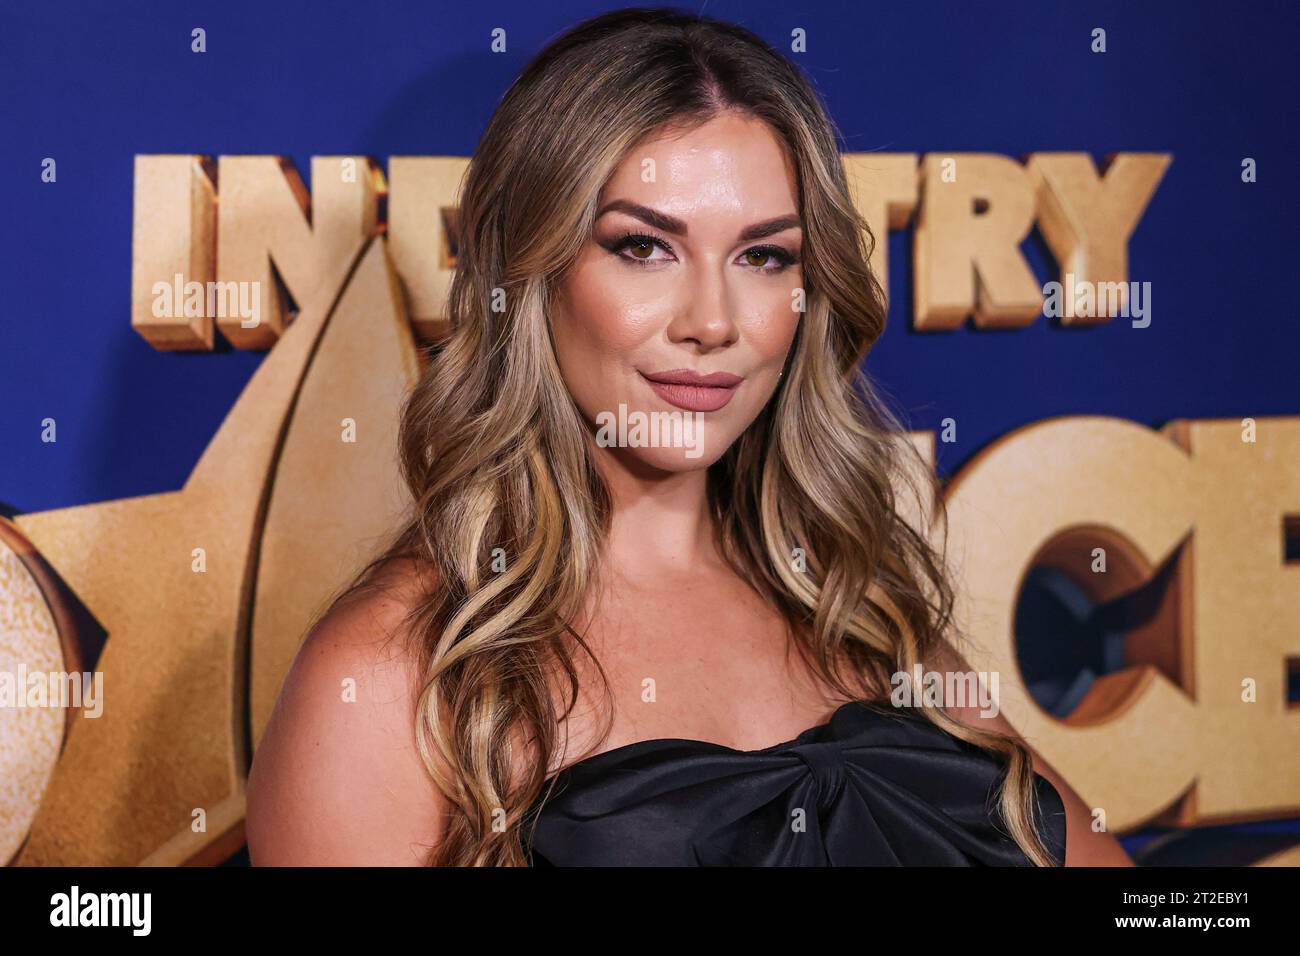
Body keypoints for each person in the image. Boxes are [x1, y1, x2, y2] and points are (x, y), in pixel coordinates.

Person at [246, 7, 1133, 867]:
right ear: (531, 272)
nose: (713, 322)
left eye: (763, 256)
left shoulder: (859, 606)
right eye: (644, 247)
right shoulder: (391, 680)